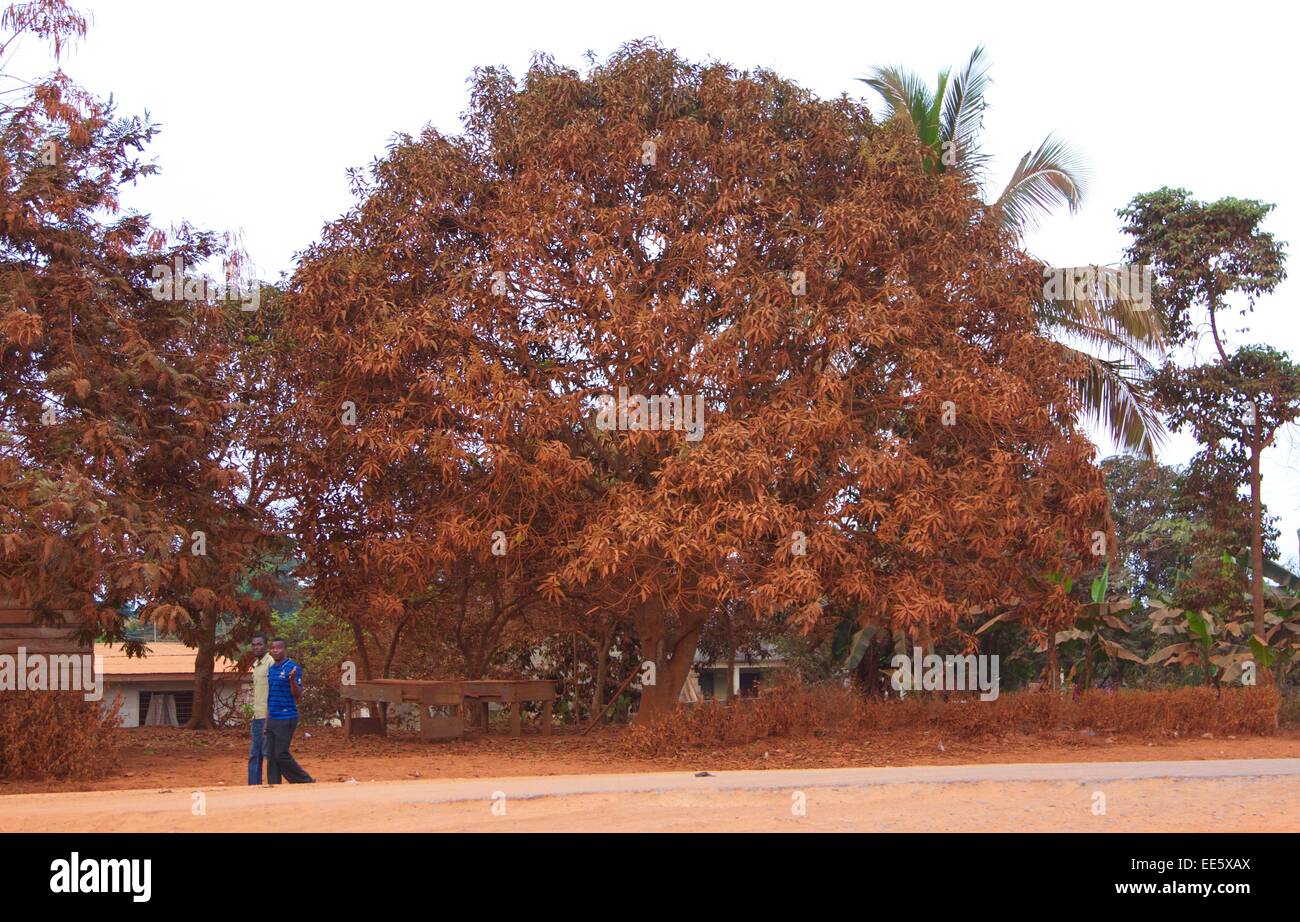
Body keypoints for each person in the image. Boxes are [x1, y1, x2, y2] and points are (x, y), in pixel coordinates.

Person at [264, 637, 314, 784]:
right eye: (273, 648)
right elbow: (270, 695)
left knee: (281, 754)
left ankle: (304, 780)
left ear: (285, 650)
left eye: (278, 648)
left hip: (286, 717)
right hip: (273, 717)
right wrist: (267, 721)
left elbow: (297, 694)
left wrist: (292, 680)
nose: (275, 650)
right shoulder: (272, 669)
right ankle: (274, 784)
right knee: (271, 756)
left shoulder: (293, 667)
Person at [247, 633, 273, 785]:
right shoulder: (256, 665)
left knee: (267, 753)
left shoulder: (270, 663)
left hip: (267, 716)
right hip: (257, 716)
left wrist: (269, 718)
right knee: (254, 754)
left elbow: (273, 691)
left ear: (266, 646)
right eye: (254, 644)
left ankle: (272, 785)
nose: (256, 647)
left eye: (259, 644)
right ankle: (253, 786)